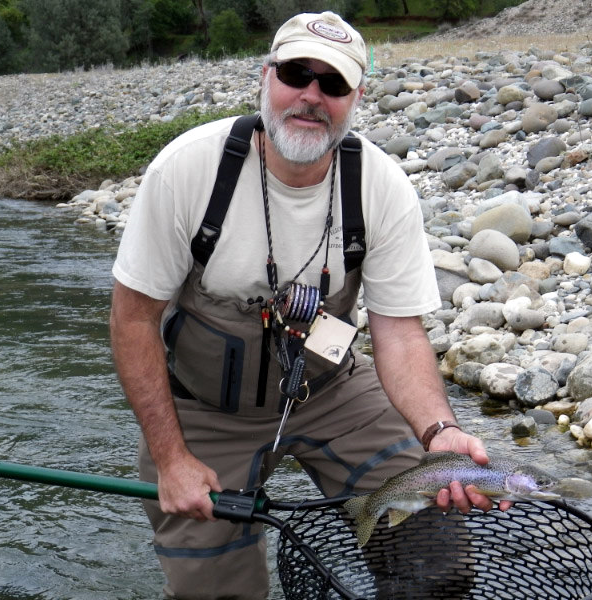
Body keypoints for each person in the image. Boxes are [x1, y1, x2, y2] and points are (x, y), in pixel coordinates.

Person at [109, 11, 509, 599]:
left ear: (356, 98)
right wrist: (171, 459)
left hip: (332, 390)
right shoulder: (188, 169)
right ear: (265, 77)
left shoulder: (380, 185)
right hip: (202, 407)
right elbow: (132, 319)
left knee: (434, 541)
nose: (311, 95)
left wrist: (440, 431)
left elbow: (398, 334)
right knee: (215, 592)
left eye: (334, 84)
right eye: (296, 73)